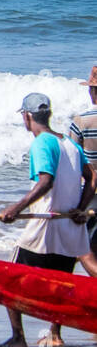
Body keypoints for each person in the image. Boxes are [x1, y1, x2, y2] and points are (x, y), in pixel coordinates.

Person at [1, 93, 96, 347]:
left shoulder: (42, 142)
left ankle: (18, 337)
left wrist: (15, 208)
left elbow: (46, 181)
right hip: (68, 227)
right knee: (60, 286)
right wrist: (79, 208)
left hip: (45, 225)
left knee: (10, 281)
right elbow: (92, 178)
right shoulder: (68, 142)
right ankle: (55, 334)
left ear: (27, 116)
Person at [67, 65, 97, 252]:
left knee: (86, 247)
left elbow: (72, 158)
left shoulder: (82, 120)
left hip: (91, 191)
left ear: (93, 91)